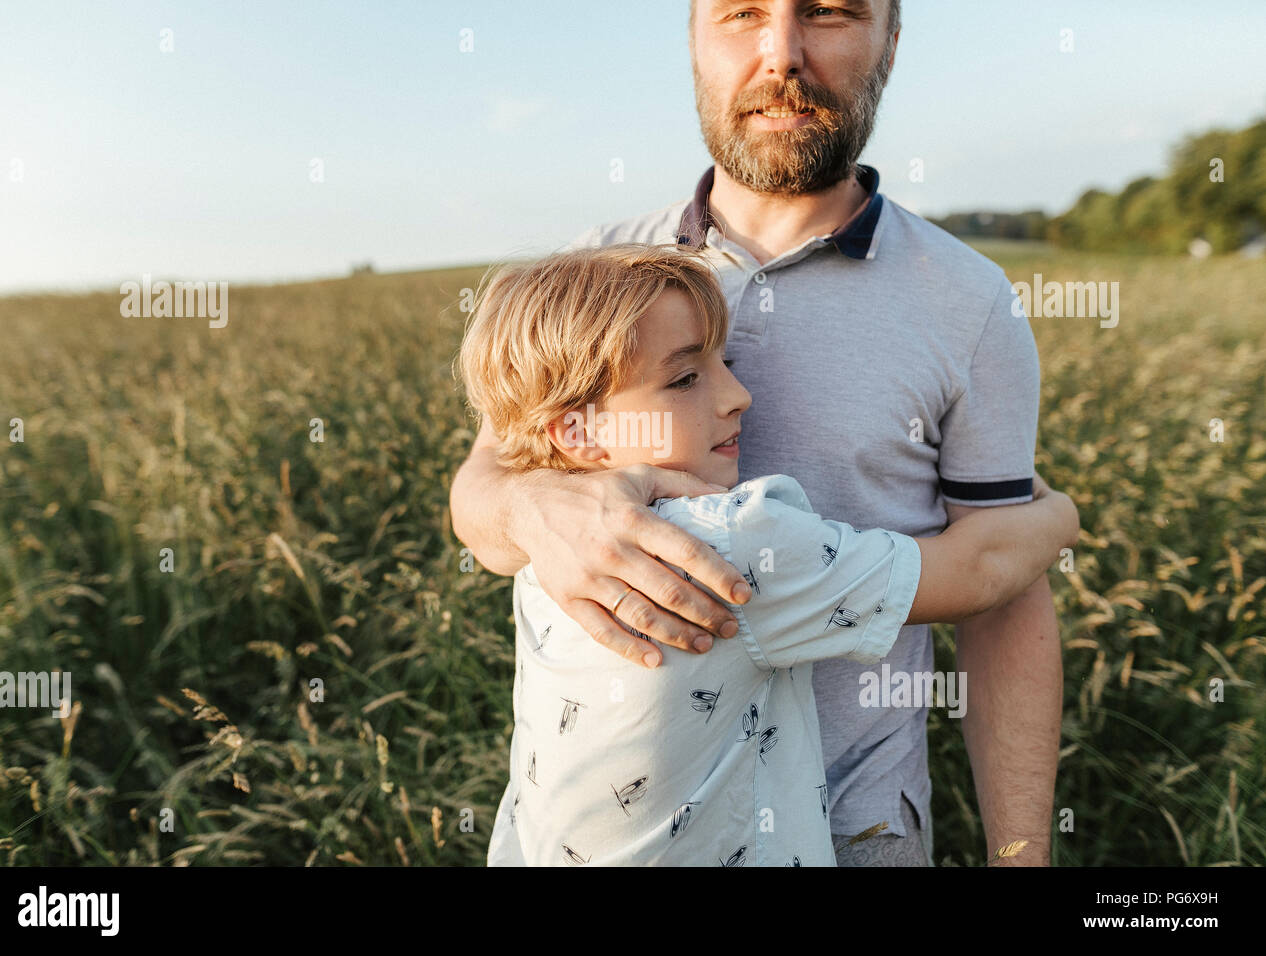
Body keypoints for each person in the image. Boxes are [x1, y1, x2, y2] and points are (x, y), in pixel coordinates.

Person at [451, 0, 1063, 866]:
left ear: (890, 42)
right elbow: (483, 495)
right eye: (742, 12)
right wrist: (533, 509)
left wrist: (1021, 855)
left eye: (829, 12)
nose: (782, 53)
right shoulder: (598, 278)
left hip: (859, 829)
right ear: (693, 40)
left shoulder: (971, 300)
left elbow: (1005, 594)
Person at [457, 244, 1078, 866]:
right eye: (684, 379)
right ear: (578, 431)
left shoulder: (549, 545)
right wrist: (1060, 514)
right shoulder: (733, 540)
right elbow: (976, 573)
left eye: (722, 363)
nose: (738, 394)